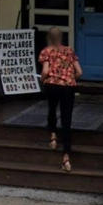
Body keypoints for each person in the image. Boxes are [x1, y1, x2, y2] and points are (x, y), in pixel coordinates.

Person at [39, 27, 82, 172]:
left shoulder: (47, 51)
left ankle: (53, 136)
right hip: (68, 87)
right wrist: (69, 79)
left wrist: (43, 80)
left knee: (52, 109)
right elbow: (80, 72)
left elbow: (45, 71)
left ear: (49, 38)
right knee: (66, 118)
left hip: (52, 85)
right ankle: (66, 157)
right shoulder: (69, 51)